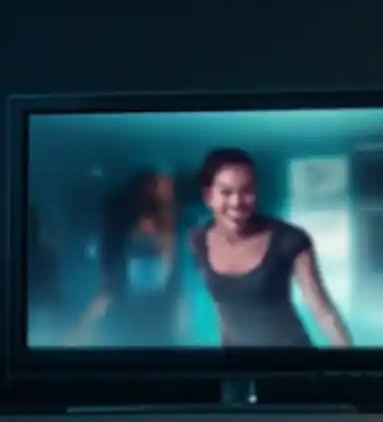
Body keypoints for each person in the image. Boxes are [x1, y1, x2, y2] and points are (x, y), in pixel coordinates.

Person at [191, 147, 352, 348]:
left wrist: (349, 367)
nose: (237, 202)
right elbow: (222, 308)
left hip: (289, 364)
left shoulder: (289, 240)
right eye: (226, 192)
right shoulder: (198, 241)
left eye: (247, 191)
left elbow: (323, 311)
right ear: (208, 196)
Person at [70, 170, 185, 347]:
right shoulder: (165, 293)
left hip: (139, 286)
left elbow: (106, 295)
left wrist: (81, 330)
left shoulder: (125, 282)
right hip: (144, 292)